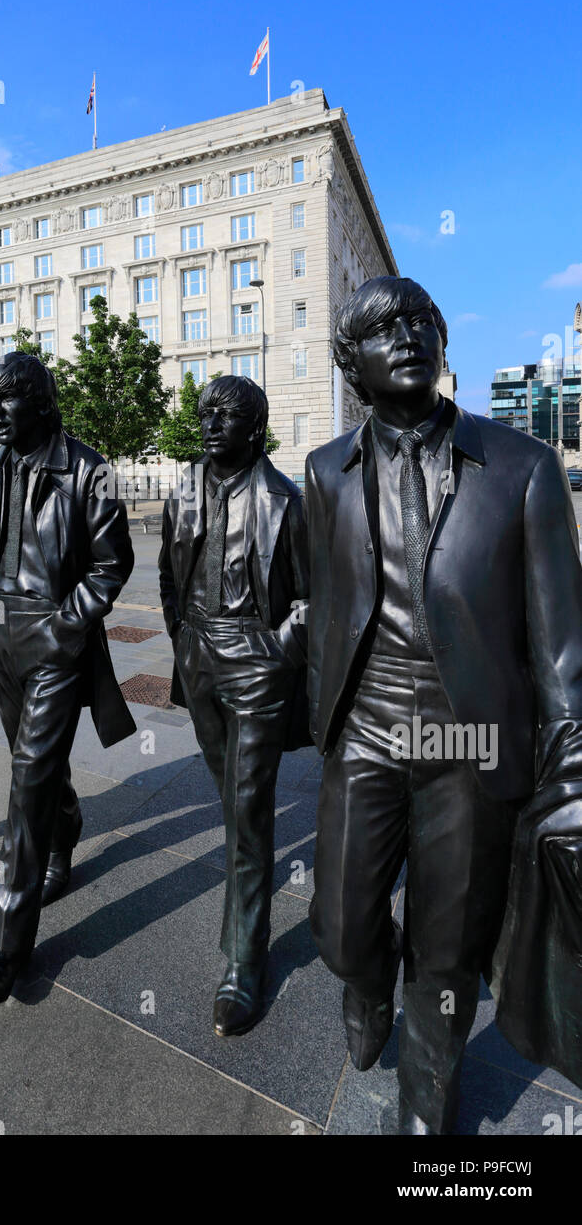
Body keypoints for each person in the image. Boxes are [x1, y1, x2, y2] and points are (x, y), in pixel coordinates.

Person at [306, 275, 582, 1134]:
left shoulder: (523, 467)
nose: (413, 334)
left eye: (423, 319)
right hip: (367, 724)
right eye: (387, 327)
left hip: (472, 734)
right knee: (341, 924)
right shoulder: (324, 473)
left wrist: (570, 766)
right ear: (352, 360)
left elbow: (563, 638)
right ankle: (365, 978)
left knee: (452, 943)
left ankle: (429, 1098)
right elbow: (329, 597)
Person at [0, 354, 136, 1004]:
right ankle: (65, 828)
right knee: (36, 768)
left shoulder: (88, 470)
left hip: (56, 642)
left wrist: (66, 628)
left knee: (28, 777)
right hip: (1, 641)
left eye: (5, 399)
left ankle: (4, 947)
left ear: (38, 398)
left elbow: (109, 566)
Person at [159, 375, 310, 1036]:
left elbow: (312, 599)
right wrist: (183, 639)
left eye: (225, 414)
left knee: (247, 807)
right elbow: (168, 578)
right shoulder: (184, 491)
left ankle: (243, 959)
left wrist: (275, 649)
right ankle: (249, 887)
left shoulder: (287, 500)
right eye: (205, 413)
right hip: (198, 653)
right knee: (230, 797)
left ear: (256, 427)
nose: (210, 423)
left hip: (256, 658)